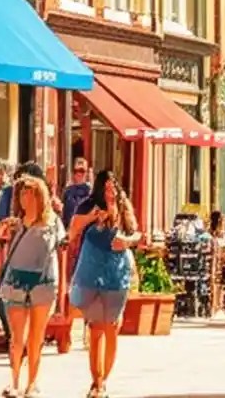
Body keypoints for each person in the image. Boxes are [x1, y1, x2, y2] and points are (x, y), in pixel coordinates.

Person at [68, 170, 142, 398]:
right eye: (106, 186)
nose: (111, 190)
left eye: (114, 186)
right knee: (95, 328)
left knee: (112, 328)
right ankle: (96, 382)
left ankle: (104, 380)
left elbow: (137, 234)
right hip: (91, 275)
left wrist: (126, 241)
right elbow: (72, 232)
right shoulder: (88, 206)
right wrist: (92, 218)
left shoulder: (124, 208)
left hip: (116, 275)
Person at [0, 176, 65, 398]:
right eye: (22, 193)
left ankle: (32, 382)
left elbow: (61, 253)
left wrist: (62, 293)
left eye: (30, 192)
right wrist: (0, 236)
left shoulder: (53, 223)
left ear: (40, 195)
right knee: (17, 337)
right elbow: (0, 251)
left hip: (44, 282)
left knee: (36, 336)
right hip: (16, 281)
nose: (26, 197)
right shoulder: (15, 223)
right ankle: (14, 381)